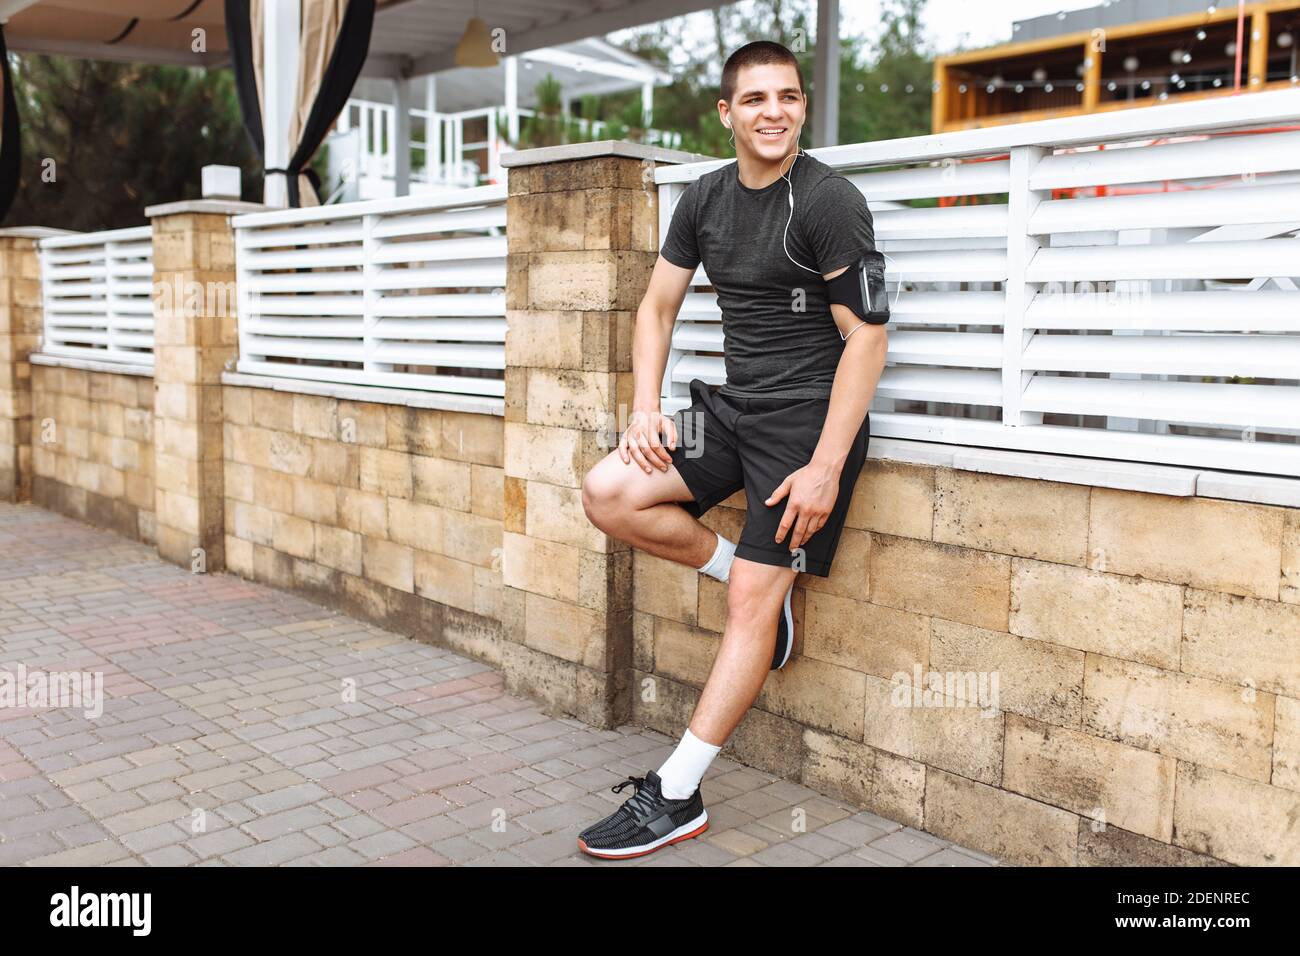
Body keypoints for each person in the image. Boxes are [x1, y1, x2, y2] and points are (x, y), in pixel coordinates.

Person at [576, 39, 889, 860]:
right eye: (755, 99)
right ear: (726, 113)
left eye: (788, 97)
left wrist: (826, 466)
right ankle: (741, 577)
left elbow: (866, 339)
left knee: (751, 599)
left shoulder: (828, 201)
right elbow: (656, 308)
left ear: (802, 107)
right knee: (607, 491)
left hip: (806, 425)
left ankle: (677, 793)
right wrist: (645, 410)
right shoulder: (705, 199)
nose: (774, 112)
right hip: (733, 408)